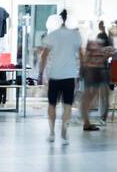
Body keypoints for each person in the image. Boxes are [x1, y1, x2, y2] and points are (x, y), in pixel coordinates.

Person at [38, 10, 91, 143]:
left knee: (52, 104)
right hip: (69, 75)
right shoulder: (75, 35)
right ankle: (64, 132)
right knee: (67, 105)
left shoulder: (53, 35)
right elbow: (81, 54)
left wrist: (40, 73)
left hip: (54, 75)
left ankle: (51, 133)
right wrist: (82, 70)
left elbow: (44, 55)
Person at [82, 21, 113, 128]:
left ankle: (88, 118)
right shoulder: (107, 48)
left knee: (93, 97)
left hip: (95, 72)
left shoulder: (95, 47)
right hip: (103, 71)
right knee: (104, 97)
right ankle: (102, 118)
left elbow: (87, 60)